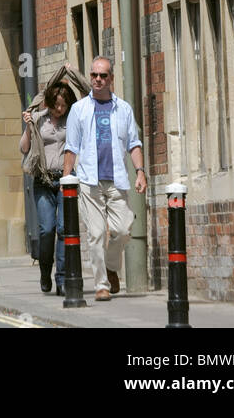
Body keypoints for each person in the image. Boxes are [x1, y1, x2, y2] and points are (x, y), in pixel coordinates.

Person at [62, 55, 146, 301]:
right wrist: (66, 179)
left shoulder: (124, 108)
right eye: (94, 75)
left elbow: (134, 143)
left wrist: (140, 171)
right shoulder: (78, 110)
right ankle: (101, 285)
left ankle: (111, 267)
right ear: (90, 77)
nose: (98, 80)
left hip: (117, 179)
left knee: (123, 229)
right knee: (96, 234)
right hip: (89, 182)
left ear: (111, 78)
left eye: (103, 76)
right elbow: (71, 147)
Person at [20, 81, 72, 294]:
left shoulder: (72, 119)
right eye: (57, 105)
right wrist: (29, 128)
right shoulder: (39, 119)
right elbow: (23, 148)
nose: (60, 109)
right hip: (43, 180)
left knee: (63, 229)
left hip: (66, 180)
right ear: (49, 102)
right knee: (46, 229)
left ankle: (61, 279)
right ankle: (44, 271)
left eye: (64, 105)